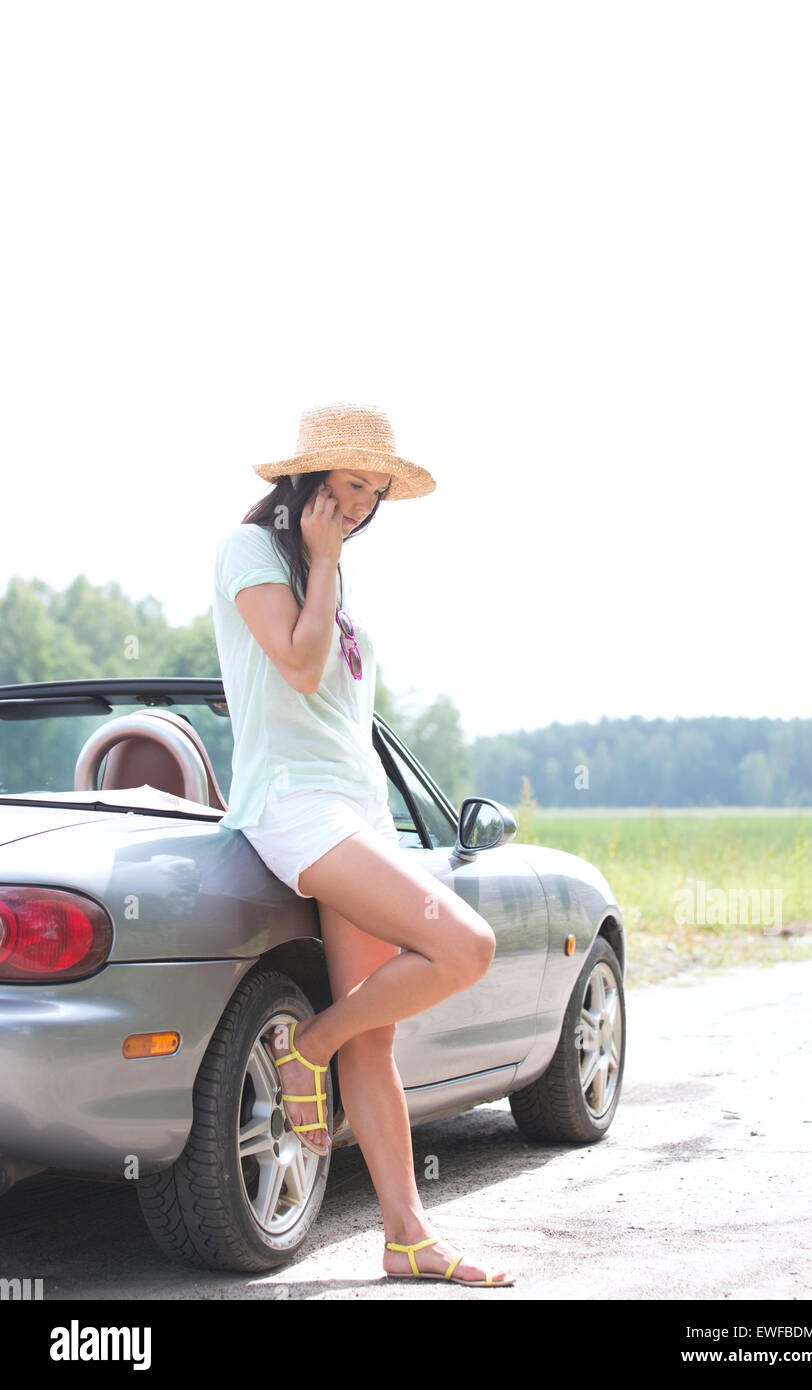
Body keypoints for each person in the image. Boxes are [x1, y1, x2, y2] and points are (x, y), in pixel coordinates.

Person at [212, 401, 514, 1287]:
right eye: (350, 487)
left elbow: (338, 708)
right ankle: (311, 1046)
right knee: (467, 945)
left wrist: (327, 566)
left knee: (373, 1040)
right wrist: (323, 562)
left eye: (373, 493)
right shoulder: (251, 555)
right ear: (306, 480)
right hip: (294, 806)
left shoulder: (326, 569)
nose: (360, 507)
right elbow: (296, 670)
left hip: (356, 809)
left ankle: (407, 1237)